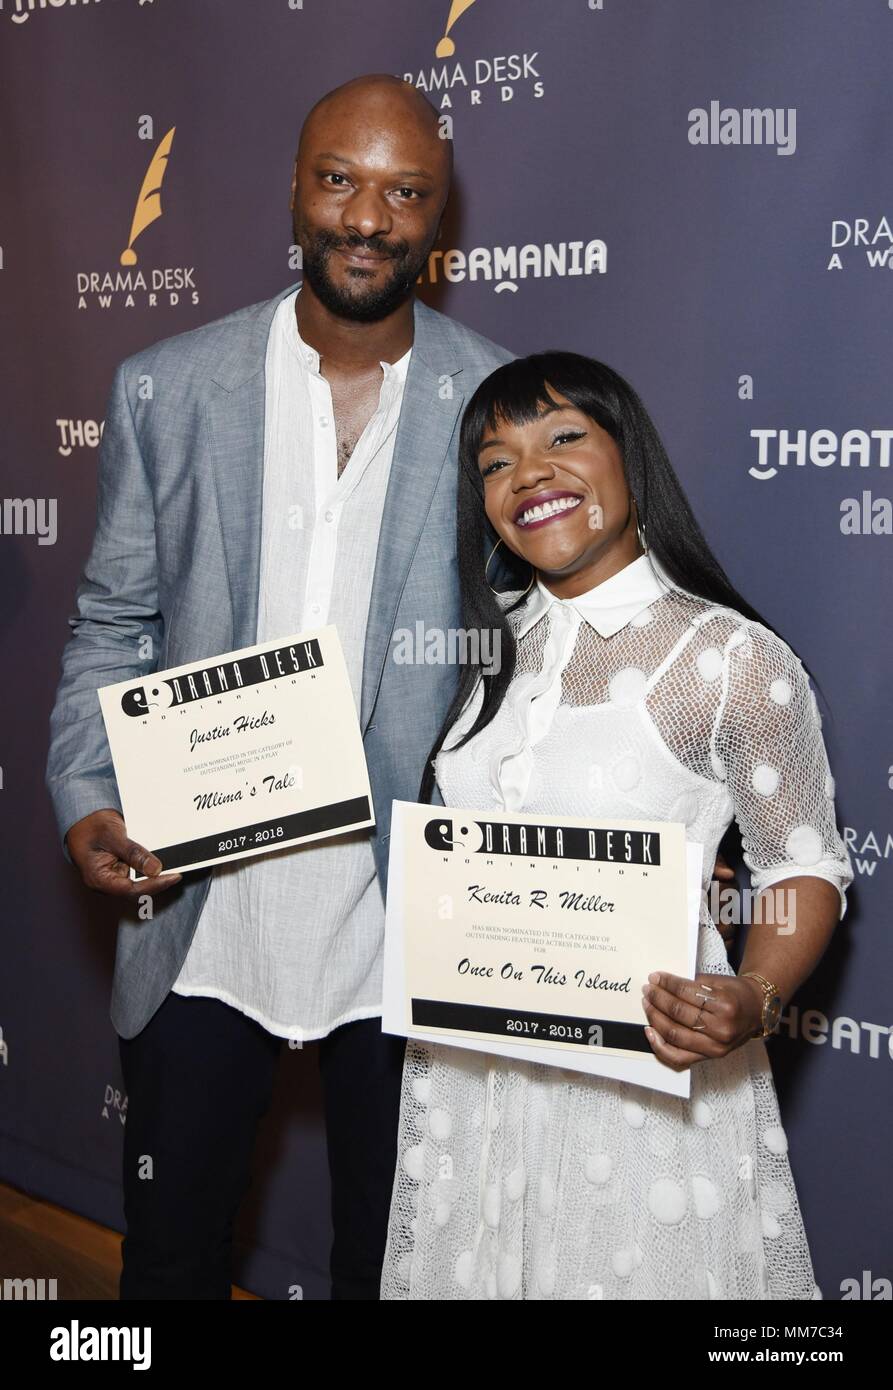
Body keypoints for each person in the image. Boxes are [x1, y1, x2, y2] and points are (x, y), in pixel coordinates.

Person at [44, 73, 517, 1300]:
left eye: (404, 190)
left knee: (393, 1263)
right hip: (205, 908)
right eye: (339, 180)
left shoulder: (504, 407)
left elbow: (549, 651)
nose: (368, 216)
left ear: (439, 219)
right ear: (296, 190)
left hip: (399, 918)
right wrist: (89, 793)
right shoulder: (170, 384)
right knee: (170, 1262)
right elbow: (114, 622)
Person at [380, 351, 853, 1300]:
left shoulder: (726, 656)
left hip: (641, 1098)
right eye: (495, 462)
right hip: (475, 1083)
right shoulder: (484, 651)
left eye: (562, 437)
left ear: (627, 457)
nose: (530, 475)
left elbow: (802, 865)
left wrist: (755, 993)